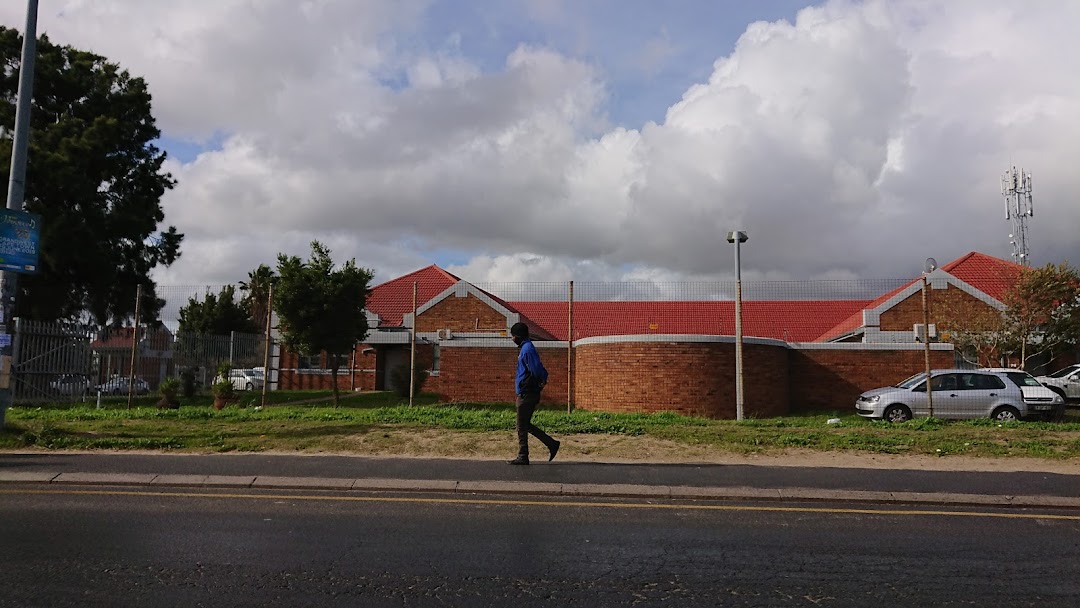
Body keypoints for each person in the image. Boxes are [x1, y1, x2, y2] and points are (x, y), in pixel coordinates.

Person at [507, 322, 559, 465]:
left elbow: (536, 369)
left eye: (513, 336)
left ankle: (523, 455)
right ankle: (552, 444)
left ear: (518, 336)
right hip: (525, 393)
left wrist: (541, 380)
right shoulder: (526, 348)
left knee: (521, 425)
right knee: (525, 424)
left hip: (527, 393)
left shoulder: (527, 349)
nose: (512, 339)